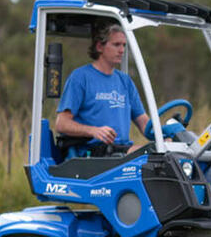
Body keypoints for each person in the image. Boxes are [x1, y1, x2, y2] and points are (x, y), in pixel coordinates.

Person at [56, 21, 149, 155]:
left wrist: (165, 136)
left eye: (124, 45)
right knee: (147, 156)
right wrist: (93, 131)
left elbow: (144, 123)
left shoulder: (125, 81)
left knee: (160, 154)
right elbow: (62, 123)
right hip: (93, 153)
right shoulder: (81, 77)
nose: (122, 50)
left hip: (120, 151)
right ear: (100, 46)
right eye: (116, 45)